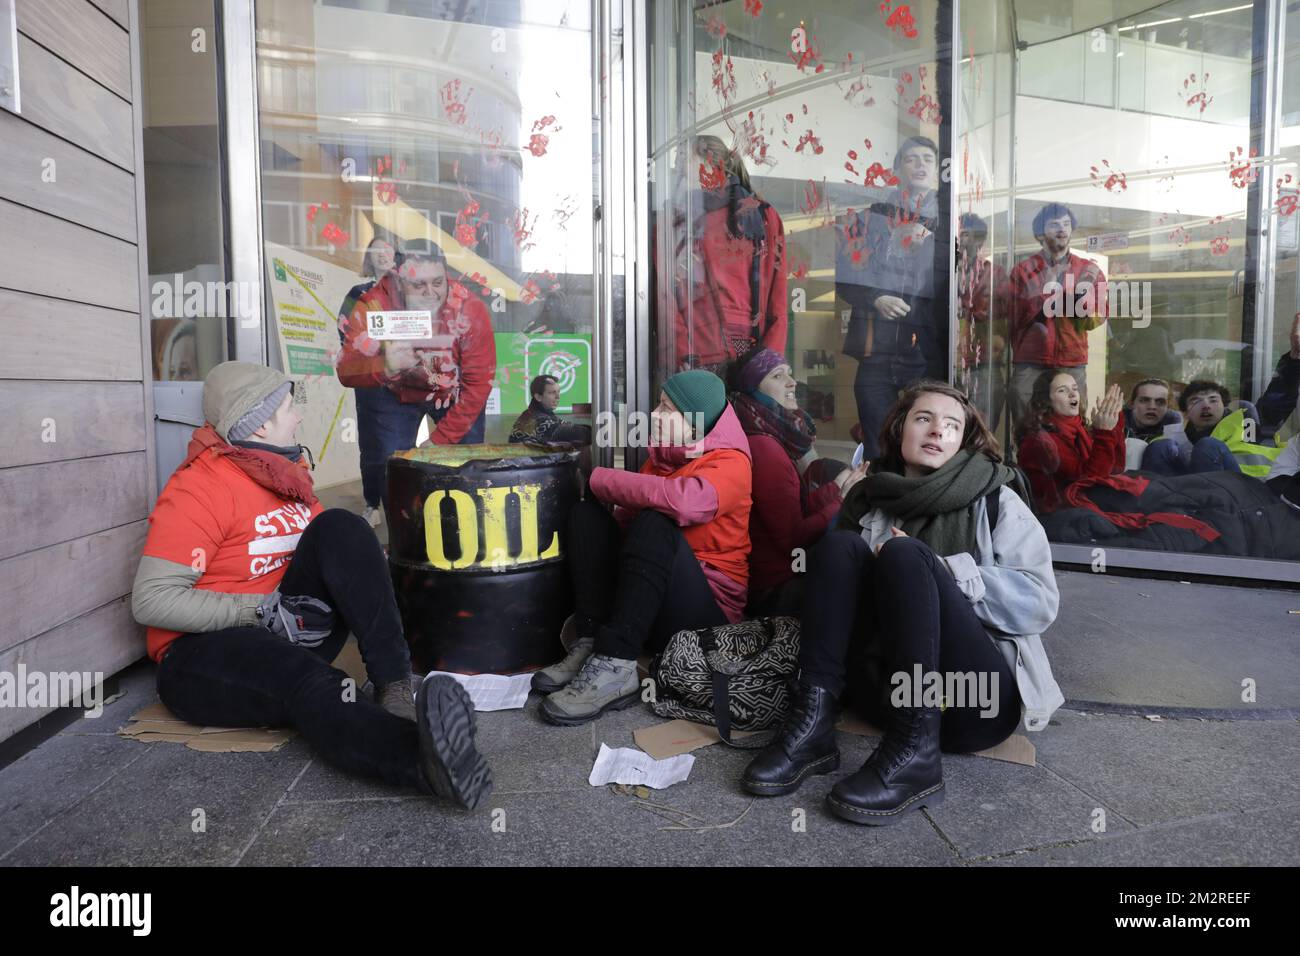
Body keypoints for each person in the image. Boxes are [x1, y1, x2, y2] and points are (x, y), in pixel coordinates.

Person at [131, 361, 492, 810]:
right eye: (288, 408)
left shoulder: (284, 474)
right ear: (261, 424)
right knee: (313, 682)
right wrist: (258, 611)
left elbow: (340, 555)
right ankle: (422, 759)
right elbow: (150, 601)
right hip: (206, 652)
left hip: (287, 625)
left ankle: (396, 689)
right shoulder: (199, 488)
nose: (297, 417)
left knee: (344, 527)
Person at [741, 381, 1061, 825]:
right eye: (924, 419)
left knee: (907, 555)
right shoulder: (870, 500)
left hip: (975, 702)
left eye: (951, 425)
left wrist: (946, 572)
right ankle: (812, 725)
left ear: (963, 440)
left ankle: (918, 759)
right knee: (838, 549)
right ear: (899, 428)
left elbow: (1040, 604)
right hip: (881, 695)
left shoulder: (994, 498)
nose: (937, 431)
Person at [532, 370, 752, 725]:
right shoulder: (663, 460)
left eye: (667, 409)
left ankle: (616, 665)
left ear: (696, 424)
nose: (654, 414)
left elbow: (685, 503)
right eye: (658, 405)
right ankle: (591, 642)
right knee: (587, 516)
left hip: (708, 619)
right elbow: (623, 530)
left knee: (657, 518)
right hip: (654, 605)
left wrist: (601, 478)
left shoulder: (731, 462)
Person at [336, 239, 496, 513]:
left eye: (437, 282)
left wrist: (439, 441)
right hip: (394, 394)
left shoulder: (469, 309)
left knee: (466, 459)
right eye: (418, 285)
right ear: (398, 280)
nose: (430, 293)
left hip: (453, 393)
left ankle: (463, 519)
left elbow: (479, 384)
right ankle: (404, 527)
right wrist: (384, 365)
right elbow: (346, 370)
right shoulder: (373, 304)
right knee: (393, 464)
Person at [729, 347, 866, 616]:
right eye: (778, 376)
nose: (792, 382)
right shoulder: (765, 449)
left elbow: (794, 508)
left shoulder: (766, 434)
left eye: (789, 374)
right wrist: (840, 500)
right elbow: (793, 539)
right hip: (777, 591)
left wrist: (836, 487)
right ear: (753, 389)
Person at [838, 136, 946, 460]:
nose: (920, 165)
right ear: (897, 169)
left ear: (938, 170)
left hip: (927, 351)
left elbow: (961, 284)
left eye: (927, 158)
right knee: (877, 440)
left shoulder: (949, 221)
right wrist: (875, 297)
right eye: (911, 159)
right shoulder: (870, 219)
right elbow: (845, 276)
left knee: (929, 443)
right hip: (877, 351)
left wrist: (931, 247)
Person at [664, 135, 788, 374]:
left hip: (748, 348)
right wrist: (682, 353)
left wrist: (772, 362)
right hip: (699, 348)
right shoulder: (675, 222)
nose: (678, 170)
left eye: (684, 160)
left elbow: (777, 293)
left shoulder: (761, 216)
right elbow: (666, 296)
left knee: (743, 411)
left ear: (711, 163)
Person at [1007, 203, 1108, 427]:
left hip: (1072, 358)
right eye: (1054, 224)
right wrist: (1046, 301)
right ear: (1040, 233)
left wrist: (1082, 307)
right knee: (1025, 421)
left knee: (1073, 423)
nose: (1062, 229)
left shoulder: (1089, 270)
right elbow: (1011, 315)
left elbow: (1100, 316)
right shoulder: (1023, 270)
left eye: (1066, 224)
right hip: (1030, 359)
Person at [1016, 370, 1126, 513]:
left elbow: (1116, 468)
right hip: (1059, 516)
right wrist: (1104, 434)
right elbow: (1087, 483)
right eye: (1062, 390)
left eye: (1075, 389)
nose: (1073, 394)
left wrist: (1113, 425)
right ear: (1046, 400)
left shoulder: (1080, 428)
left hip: (1084, 508)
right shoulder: (1040, 441)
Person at [1143, 380, 1283, 477]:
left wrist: (1293, 361)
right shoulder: (1175, 439)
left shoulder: (1248, 424)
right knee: (1159, 446)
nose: (1206, 406)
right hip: (1190, 495)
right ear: (1185, 413)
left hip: (1248, 493)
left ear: (1225, 405)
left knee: (1208, 445)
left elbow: (1277, 401)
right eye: (1196, 401)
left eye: (1213, 400)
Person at [955, 212, 1008, 432]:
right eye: (958, 235)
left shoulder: (994, 274)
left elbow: (1004, 317)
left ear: (979, 240)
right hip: (947, 359)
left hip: (983, 362)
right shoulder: (942, 271)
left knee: (982, 429)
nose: (960, 240)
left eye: (966, 235)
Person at [508, 374, 592, 444]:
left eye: (558, 392)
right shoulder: (539, 419)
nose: (558, 397)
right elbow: (579, 433)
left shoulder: (531, 413)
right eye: (552, 393)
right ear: (538, 397)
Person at [1122, 378, 1181, 470]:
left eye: (1160, 402)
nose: (1152, 407)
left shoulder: (1172, 424)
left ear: (1168, 407)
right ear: (1131, 403)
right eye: (1144, 400)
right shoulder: (1115, 421)